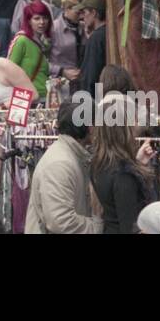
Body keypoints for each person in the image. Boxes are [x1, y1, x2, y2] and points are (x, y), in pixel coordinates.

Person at [25, 94, 103, 234]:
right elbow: (61, 221)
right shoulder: (60, 164)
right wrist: (97, 227)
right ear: (90, 127)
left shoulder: (73, 155)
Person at [91, 111, 157, 234]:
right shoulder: (123, 174)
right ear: (123, 131)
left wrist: (138, 163)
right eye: (133, 122)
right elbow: (129, 225)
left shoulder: (99, 164)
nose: (136, 127)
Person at [78, 0, 108, 99]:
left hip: (96, 99)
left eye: (84, 12)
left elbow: (91, 75)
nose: (82, 17)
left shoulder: (96, 38)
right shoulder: (108, 33)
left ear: (94, 13)